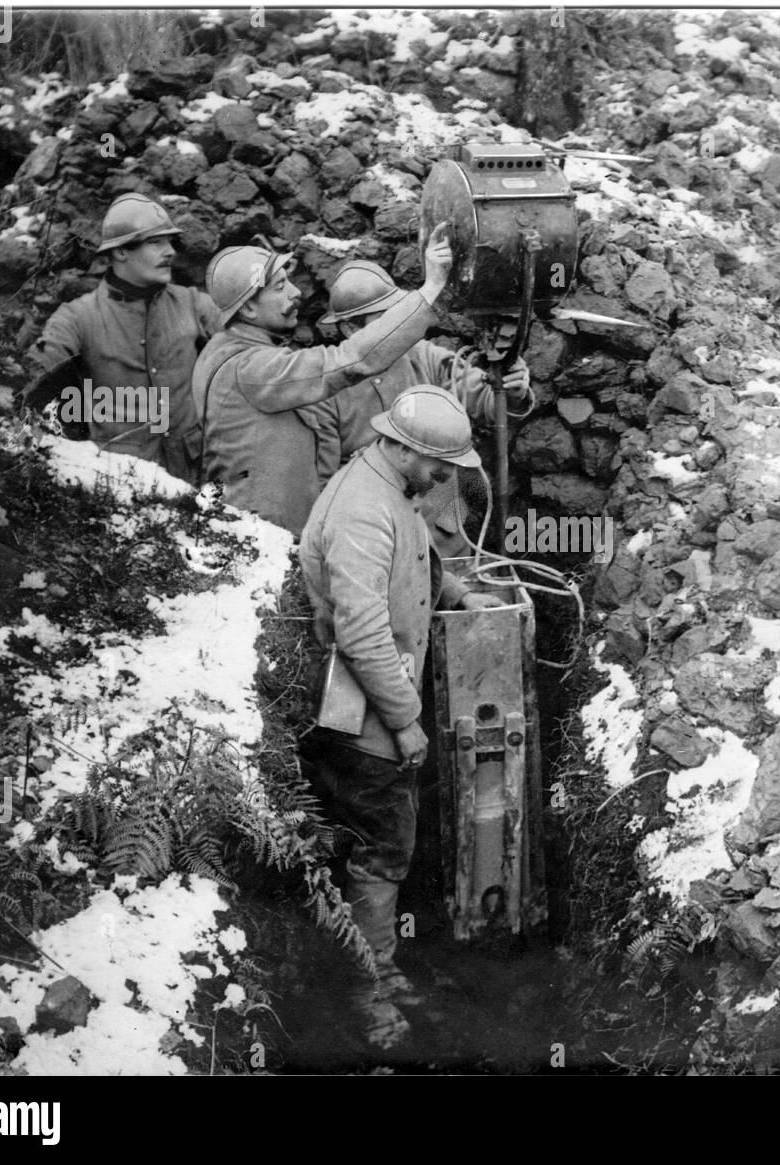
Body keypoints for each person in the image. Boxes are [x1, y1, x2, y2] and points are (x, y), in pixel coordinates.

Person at [298, 386, 504, 1049]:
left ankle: (378, 971)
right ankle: (371, 998)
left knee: (384, 845)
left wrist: (458, 594)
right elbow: (360, 631)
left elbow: (413, 563)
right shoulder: (363, 509)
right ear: (404, 448)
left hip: (380, 701)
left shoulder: (390, 492)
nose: (446, 480)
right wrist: (407, 719)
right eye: (440, 468)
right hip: (365, 716)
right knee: (380, 854)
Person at [191, 226, 457, 536]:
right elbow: (352, 360)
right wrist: (431, 288)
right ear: (248, 308)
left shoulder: (221, 350)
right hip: (263, 534)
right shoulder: (251, 368)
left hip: (255, 528)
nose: (295, 293)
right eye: (279, 287)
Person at [297, 260, 535, 557]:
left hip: (439, 508)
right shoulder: (325, 388)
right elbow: (324, 482)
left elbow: (484, 399)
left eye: (399, 313)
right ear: (348, 327)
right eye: (384, 318)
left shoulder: (424, 357)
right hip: (370, 516)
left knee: (457, 588)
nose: (398, 325)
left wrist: (512, 390)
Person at [28, 193, 219, 484]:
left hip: (192, 477)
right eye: (155, 242)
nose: (170, 252)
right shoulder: (78, 317)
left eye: (170, 242)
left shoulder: (194, 304)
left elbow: (245, 352)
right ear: (120, 252)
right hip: (122, 485)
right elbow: (30, 386)